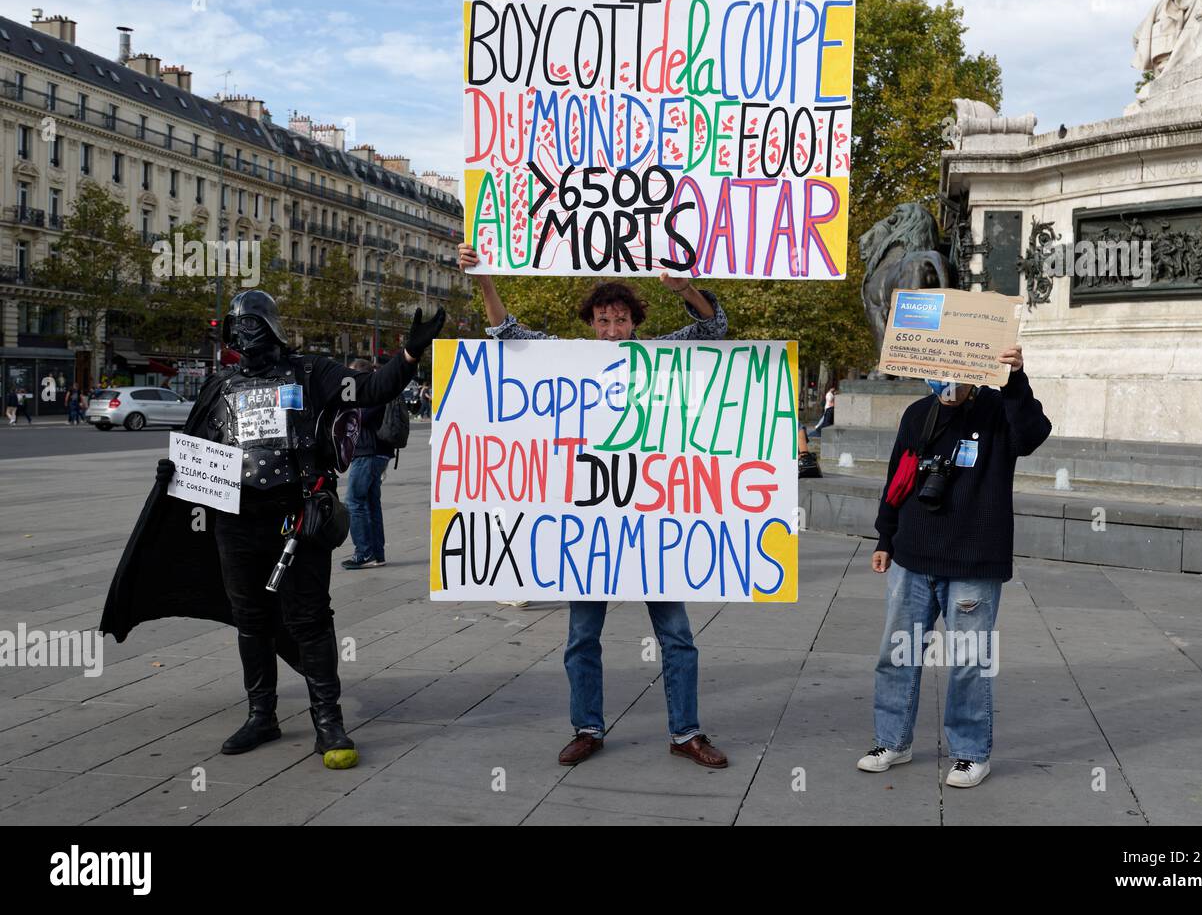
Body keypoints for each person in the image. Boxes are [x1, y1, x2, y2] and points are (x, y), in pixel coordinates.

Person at [103, 289, 444, 770]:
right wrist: (173, 476)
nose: (245, 337)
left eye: (253, 327)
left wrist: (409, 355)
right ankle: (261, 713)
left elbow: (369, 391)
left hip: (296, 518)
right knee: (251, 619)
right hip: (234, 522)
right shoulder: (220, 386)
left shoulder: (312, 373)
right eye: (237, 330)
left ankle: (328, 720)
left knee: (308, 617)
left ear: (272, 327)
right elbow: (199, 448)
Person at [458, 241, 731, 770]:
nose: (611, 330)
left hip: (654, 521)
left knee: (676, 635)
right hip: (589, 525)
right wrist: (485, 278)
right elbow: (507, 334)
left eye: (621, 320)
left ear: (635, 322)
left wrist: (685, 289)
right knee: (582, 636)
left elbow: (712, 329)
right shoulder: (566, 360)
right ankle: (587, 728)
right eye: (603, 321)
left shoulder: (661, 357)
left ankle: (686, 732)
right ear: (590, 323)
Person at [858, 349, 1051, 788]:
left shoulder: (998, 409)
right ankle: (892, 741)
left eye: (955, 379)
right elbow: (898, 478)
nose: (947, 386)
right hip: (912, 556)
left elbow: (1033, 435)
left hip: (973, 559)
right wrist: (885, 538)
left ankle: (969, 753)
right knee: (896, 654)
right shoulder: (917, 414)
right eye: (938, 377)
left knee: (968, 661)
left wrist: (1014, 379)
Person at [341, 358, 393, 571]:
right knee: (371, 504)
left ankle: (364, 553)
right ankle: (376, 554)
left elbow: (358, 417)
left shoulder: (371, 393)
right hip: (374, 453)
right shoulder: (375, 391)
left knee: (354, 502)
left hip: (368, 454)